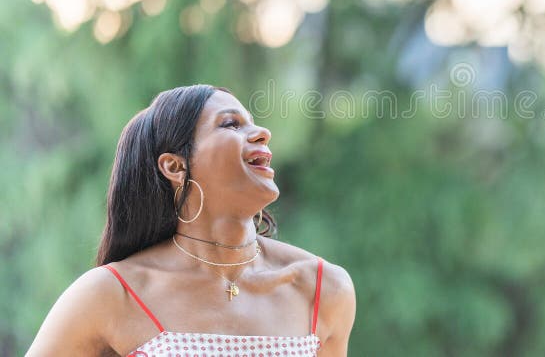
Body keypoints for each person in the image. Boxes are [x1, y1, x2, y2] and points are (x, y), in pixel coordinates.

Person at [27, 84, 356, 356]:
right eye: (231, 124)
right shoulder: (111, 293)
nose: (262, 133)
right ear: (175, 166)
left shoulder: (324, 289)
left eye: (253, 122)